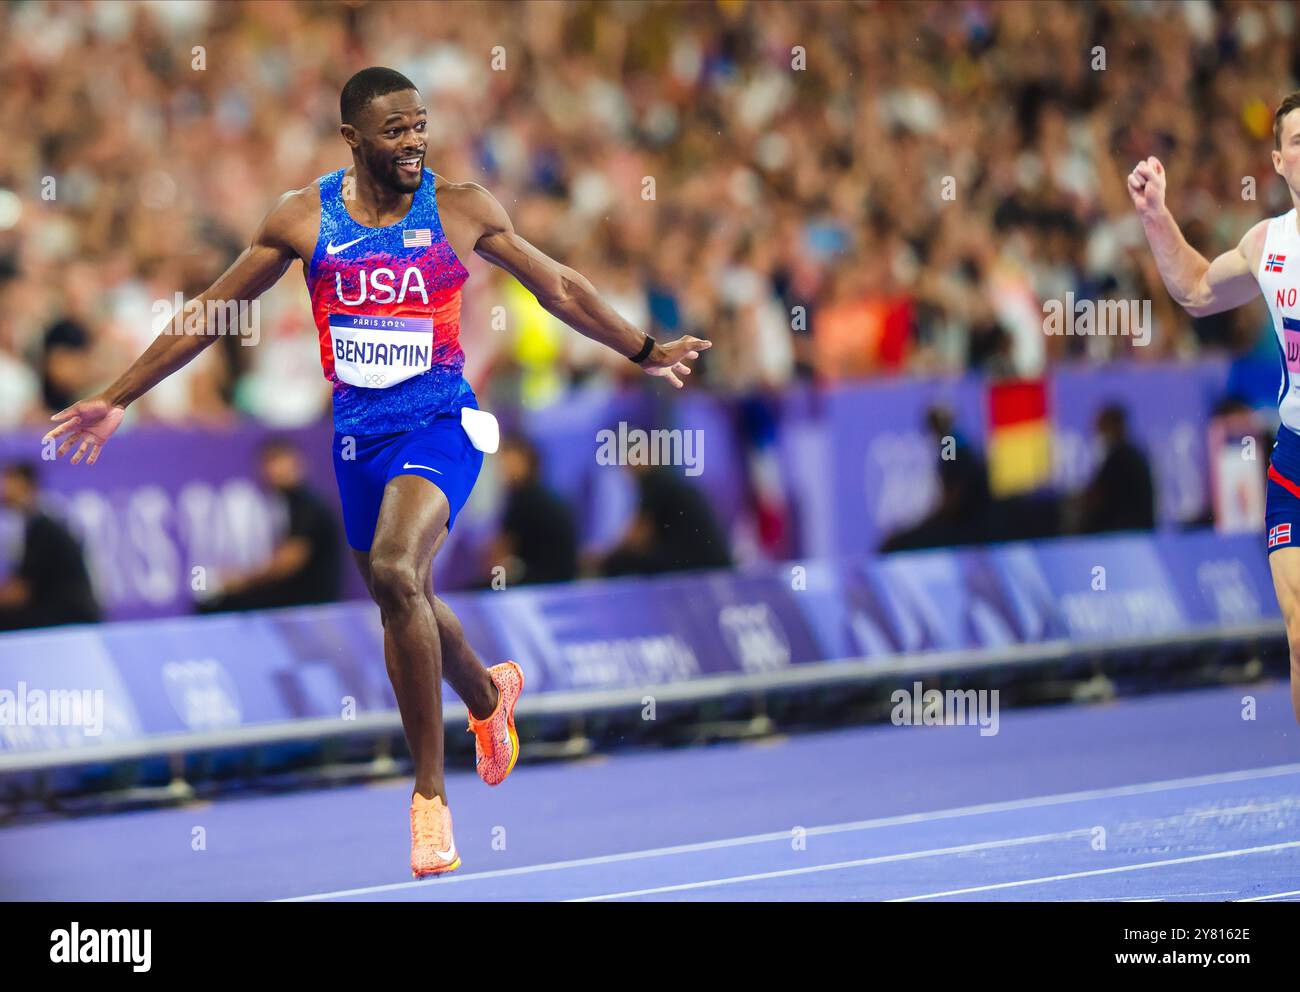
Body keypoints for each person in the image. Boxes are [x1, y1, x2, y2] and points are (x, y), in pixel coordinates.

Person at [41, 67, 711, 878]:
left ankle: (430, 799)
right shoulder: (302, 219)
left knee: (396, 570)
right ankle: (491, 700)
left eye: (420, 125)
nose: (414, 142)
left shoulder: (460, 207)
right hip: (357, 438)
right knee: (409, 598)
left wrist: (643, 348)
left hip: (442, 422)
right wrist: (117, 397)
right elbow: (209, 314)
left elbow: (559, 286)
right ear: (353, 139)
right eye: (395, 131)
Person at [1128, 90, 1300, 726]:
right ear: (1278, 161)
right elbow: (1197, 290)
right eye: (1299, 143)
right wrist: (1154, 215)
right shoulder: (1266, 244)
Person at [196, 438, 342, 613]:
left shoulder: (307, 507)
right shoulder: (284, 504)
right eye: (269, 463)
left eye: (280, 461)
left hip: (307, 599)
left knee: (214, 605)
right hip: (294, 594)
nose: (275, 470)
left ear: (298, 463)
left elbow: (288, 563)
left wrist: (237, 581)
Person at [0, 462, 100, 630]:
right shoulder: (33, 526)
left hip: (70, 616)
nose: (3, 487)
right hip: (61, 611)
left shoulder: (42, 529)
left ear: (26, 485)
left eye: (8, 480)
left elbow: (20, 593)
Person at [599, 461, 731, 577]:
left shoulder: (658, 487)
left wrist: (603, 560)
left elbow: (637, 540)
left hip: (701, 571)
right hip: (711, 570)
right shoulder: (668, 482)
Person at [489, 436, 578, 586]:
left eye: (509, 460)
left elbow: (499, 556)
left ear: (526, 461)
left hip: (541, 584)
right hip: (561, 580)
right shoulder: (542, 495)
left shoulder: (525, 499)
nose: (504, 467)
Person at [1079, 404, 1155, 534]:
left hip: (1123, 533)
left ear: (1115, 425)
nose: (1098, 431)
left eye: (1103, 425)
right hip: (1135, 529)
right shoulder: (1129, 453)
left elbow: (1096, 498)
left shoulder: (1120, 458)